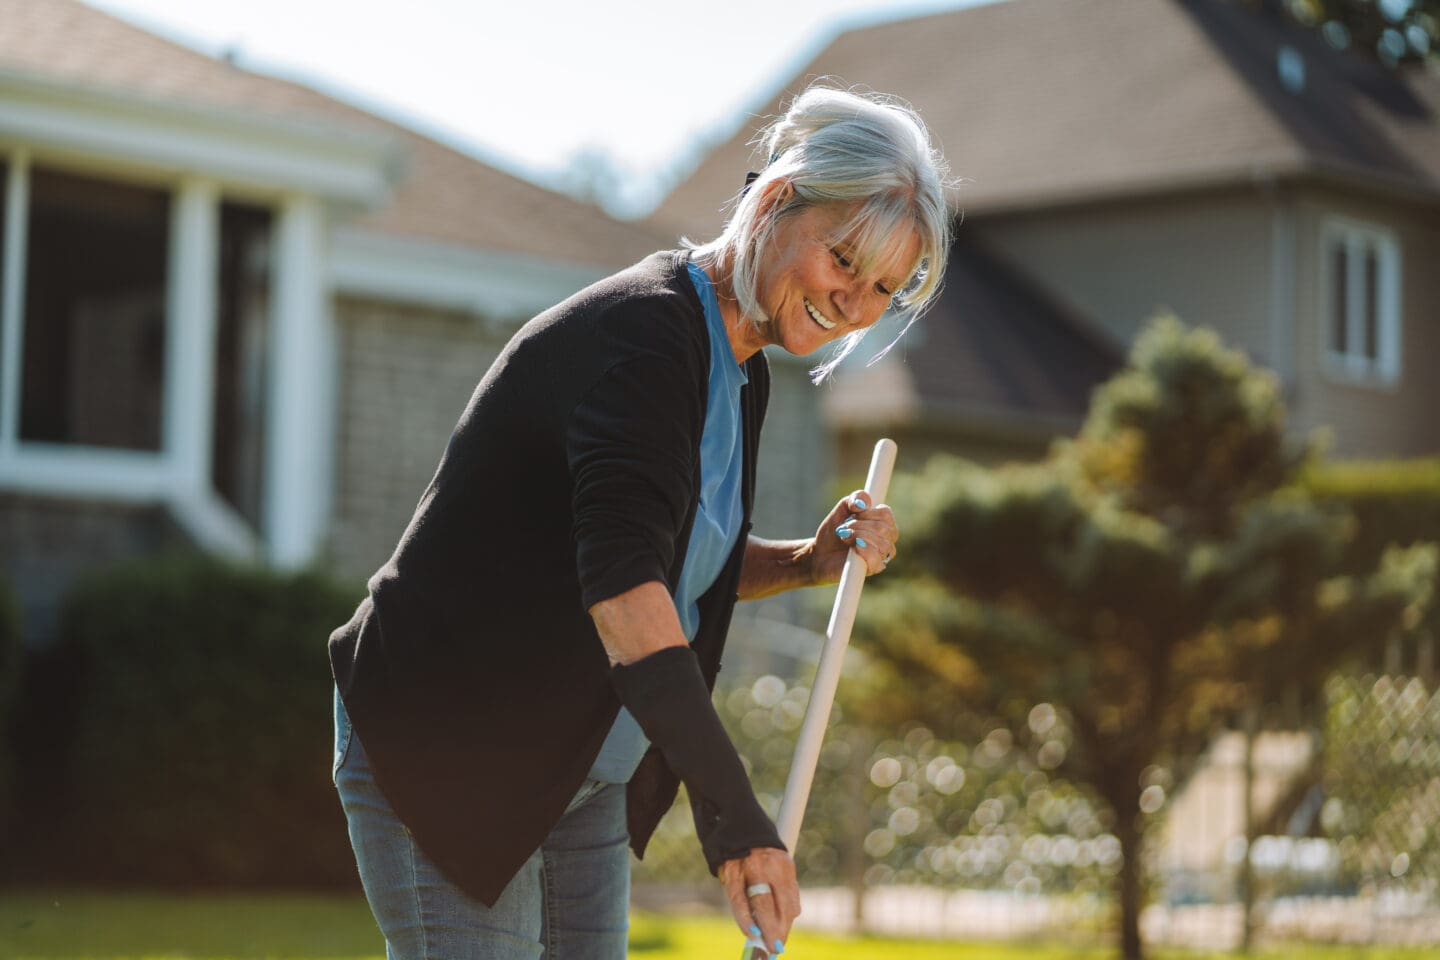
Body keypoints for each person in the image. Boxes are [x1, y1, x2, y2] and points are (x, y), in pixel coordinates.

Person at [329, 83, 952, 960]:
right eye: (845, 260)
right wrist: (738, 823)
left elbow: (661, 556)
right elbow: (627, 602)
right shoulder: (645, 342)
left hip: (575, 764)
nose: (855, 303)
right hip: (455, 738)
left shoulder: (737, 366)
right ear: (777, 201)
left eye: (883, 287)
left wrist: (808, 561)